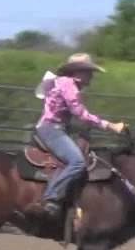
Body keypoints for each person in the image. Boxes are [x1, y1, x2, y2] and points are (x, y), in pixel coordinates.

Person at [30, 53, 126, 218]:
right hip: (52, 130)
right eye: (89, 72)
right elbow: (80, 113)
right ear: (79, 72)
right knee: (77, 162)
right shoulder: (68, 85)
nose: (91, 77)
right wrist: (110, 125)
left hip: (55, 128)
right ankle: (51, 197)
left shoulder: (63, 83)